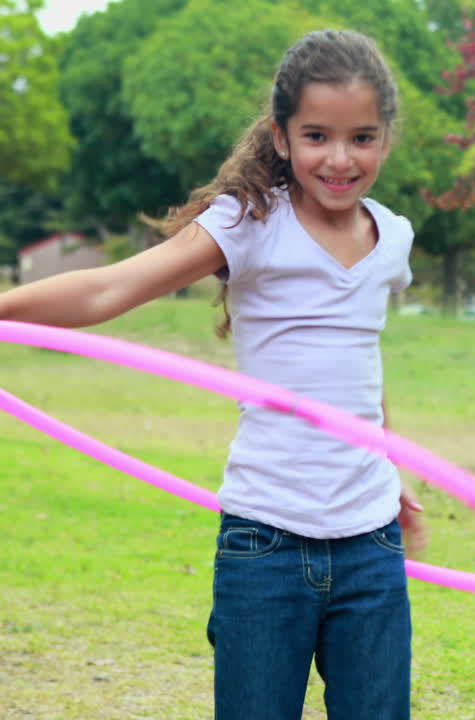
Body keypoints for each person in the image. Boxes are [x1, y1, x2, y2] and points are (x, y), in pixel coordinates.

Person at [0, 29, 426, 719]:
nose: (341, 159)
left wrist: (391, 462)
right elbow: (111, 290)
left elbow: (357, 362)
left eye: (363, 138)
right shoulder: (250, 222)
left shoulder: (392, 237)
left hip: (369, 544)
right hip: (266, 542)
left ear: (385, 139)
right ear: (281, 138)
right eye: (317, 135)